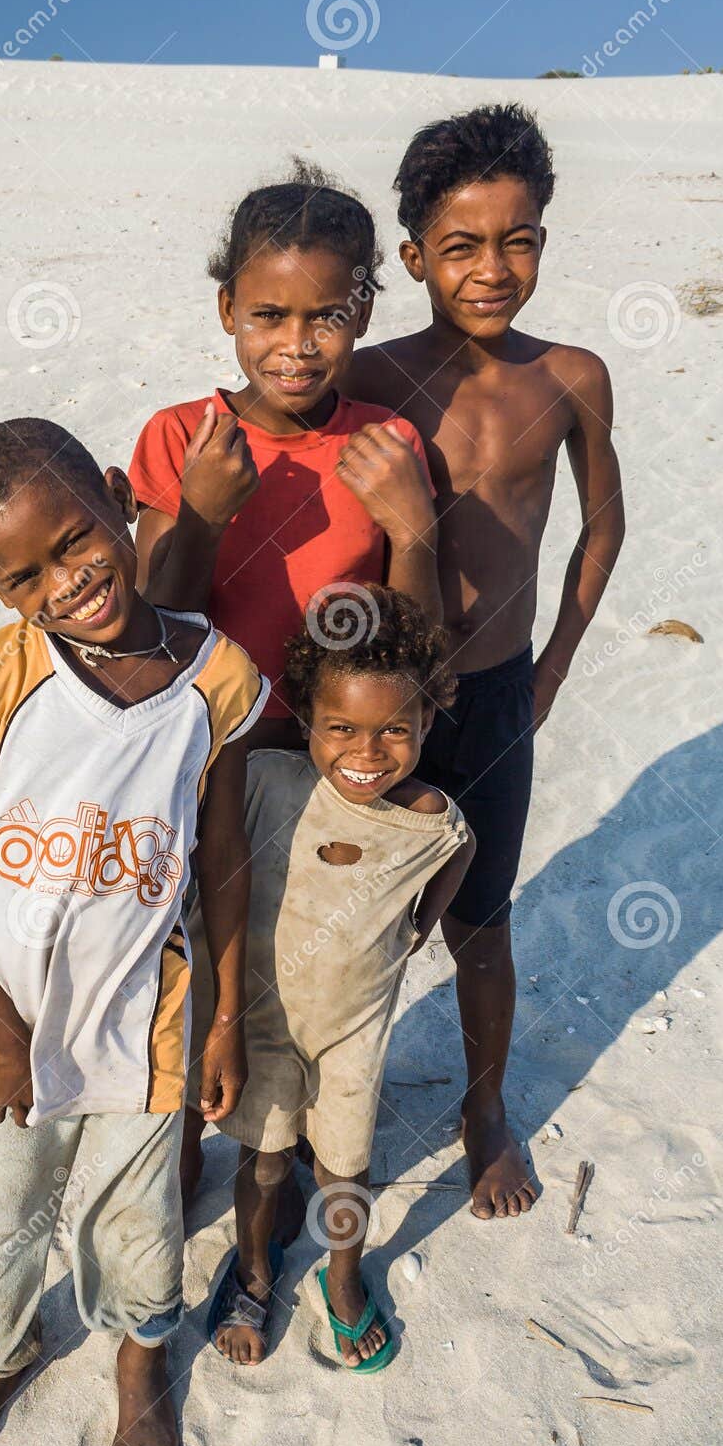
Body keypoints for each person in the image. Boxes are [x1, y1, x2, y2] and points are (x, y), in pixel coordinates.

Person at [0, 418, 267, 1446]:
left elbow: (219, 859)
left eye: (75, 542)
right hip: (6, 1024)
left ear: (119, 500)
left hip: (141, 1029)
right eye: (23, 575)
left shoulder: (216, 679)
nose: (66, 582)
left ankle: (138, 1365)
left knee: (139, 1223)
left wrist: (217, 1020)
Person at [128, 160, 442, 1206]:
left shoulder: (383, 443)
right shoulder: (183, 439)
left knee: (292, 955)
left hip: (316, 765)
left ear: (361, 315)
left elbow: (410, 639)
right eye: (267, 313)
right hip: (200, 757)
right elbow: (152, 620)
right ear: (226, 309)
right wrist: (200, 511)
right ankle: (174, 1138)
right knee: (193, 957)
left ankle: (291, 1135)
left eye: (326, 318)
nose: (294, 344)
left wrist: (408, 523)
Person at [344, 102, 626, 1220]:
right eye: (460, 244)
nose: (491, 266)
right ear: (412, 254)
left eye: (517, 238)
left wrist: (550, 666)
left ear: (543, 240)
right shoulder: (362, 378)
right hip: (372, 701)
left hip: (501, 692)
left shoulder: (569, 377)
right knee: (358, 913)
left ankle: (483, 1104)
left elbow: (603, 522)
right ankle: (336, 1113)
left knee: (482, 918)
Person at [197, 587, 473, 1370]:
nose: (366, 752)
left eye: (394, 729)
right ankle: (252, 1271)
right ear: (307, 720)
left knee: (344, 1167)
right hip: (261, 1019)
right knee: (263, 1161)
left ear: (425, 722)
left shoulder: (429, 818)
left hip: (353, 1034)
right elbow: (213, 866)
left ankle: (343, 1279)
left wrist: (417, 931)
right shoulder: (267, 781)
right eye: (341, 729)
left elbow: (461, 851)